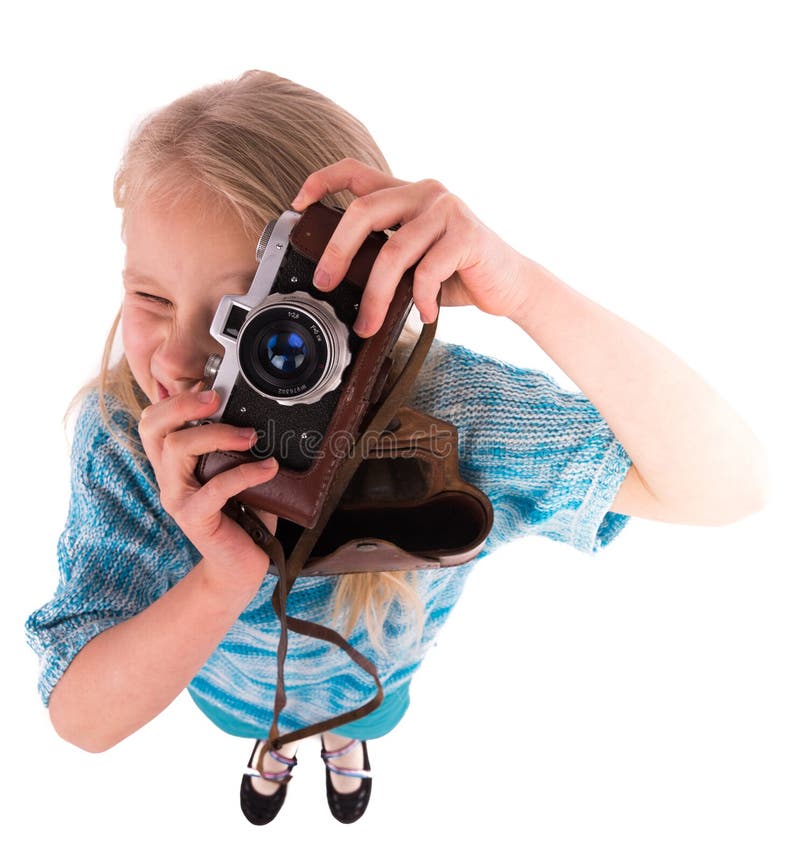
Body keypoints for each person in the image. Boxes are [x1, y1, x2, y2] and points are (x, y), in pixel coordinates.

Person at [25, 70, 768, 826]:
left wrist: (523, 289)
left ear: (354, 303)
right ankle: (276, 745)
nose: (179, 358)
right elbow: (81, 715)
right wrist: (223, 578)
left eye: (244, 316)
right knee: (265, 721)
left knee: (355, 716)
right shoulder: (126, 433)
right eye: (150, 297)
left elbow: (728, 485)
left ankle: (343, 743)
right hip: (228, 690)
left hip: (372, 679)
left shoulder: (445, 414)